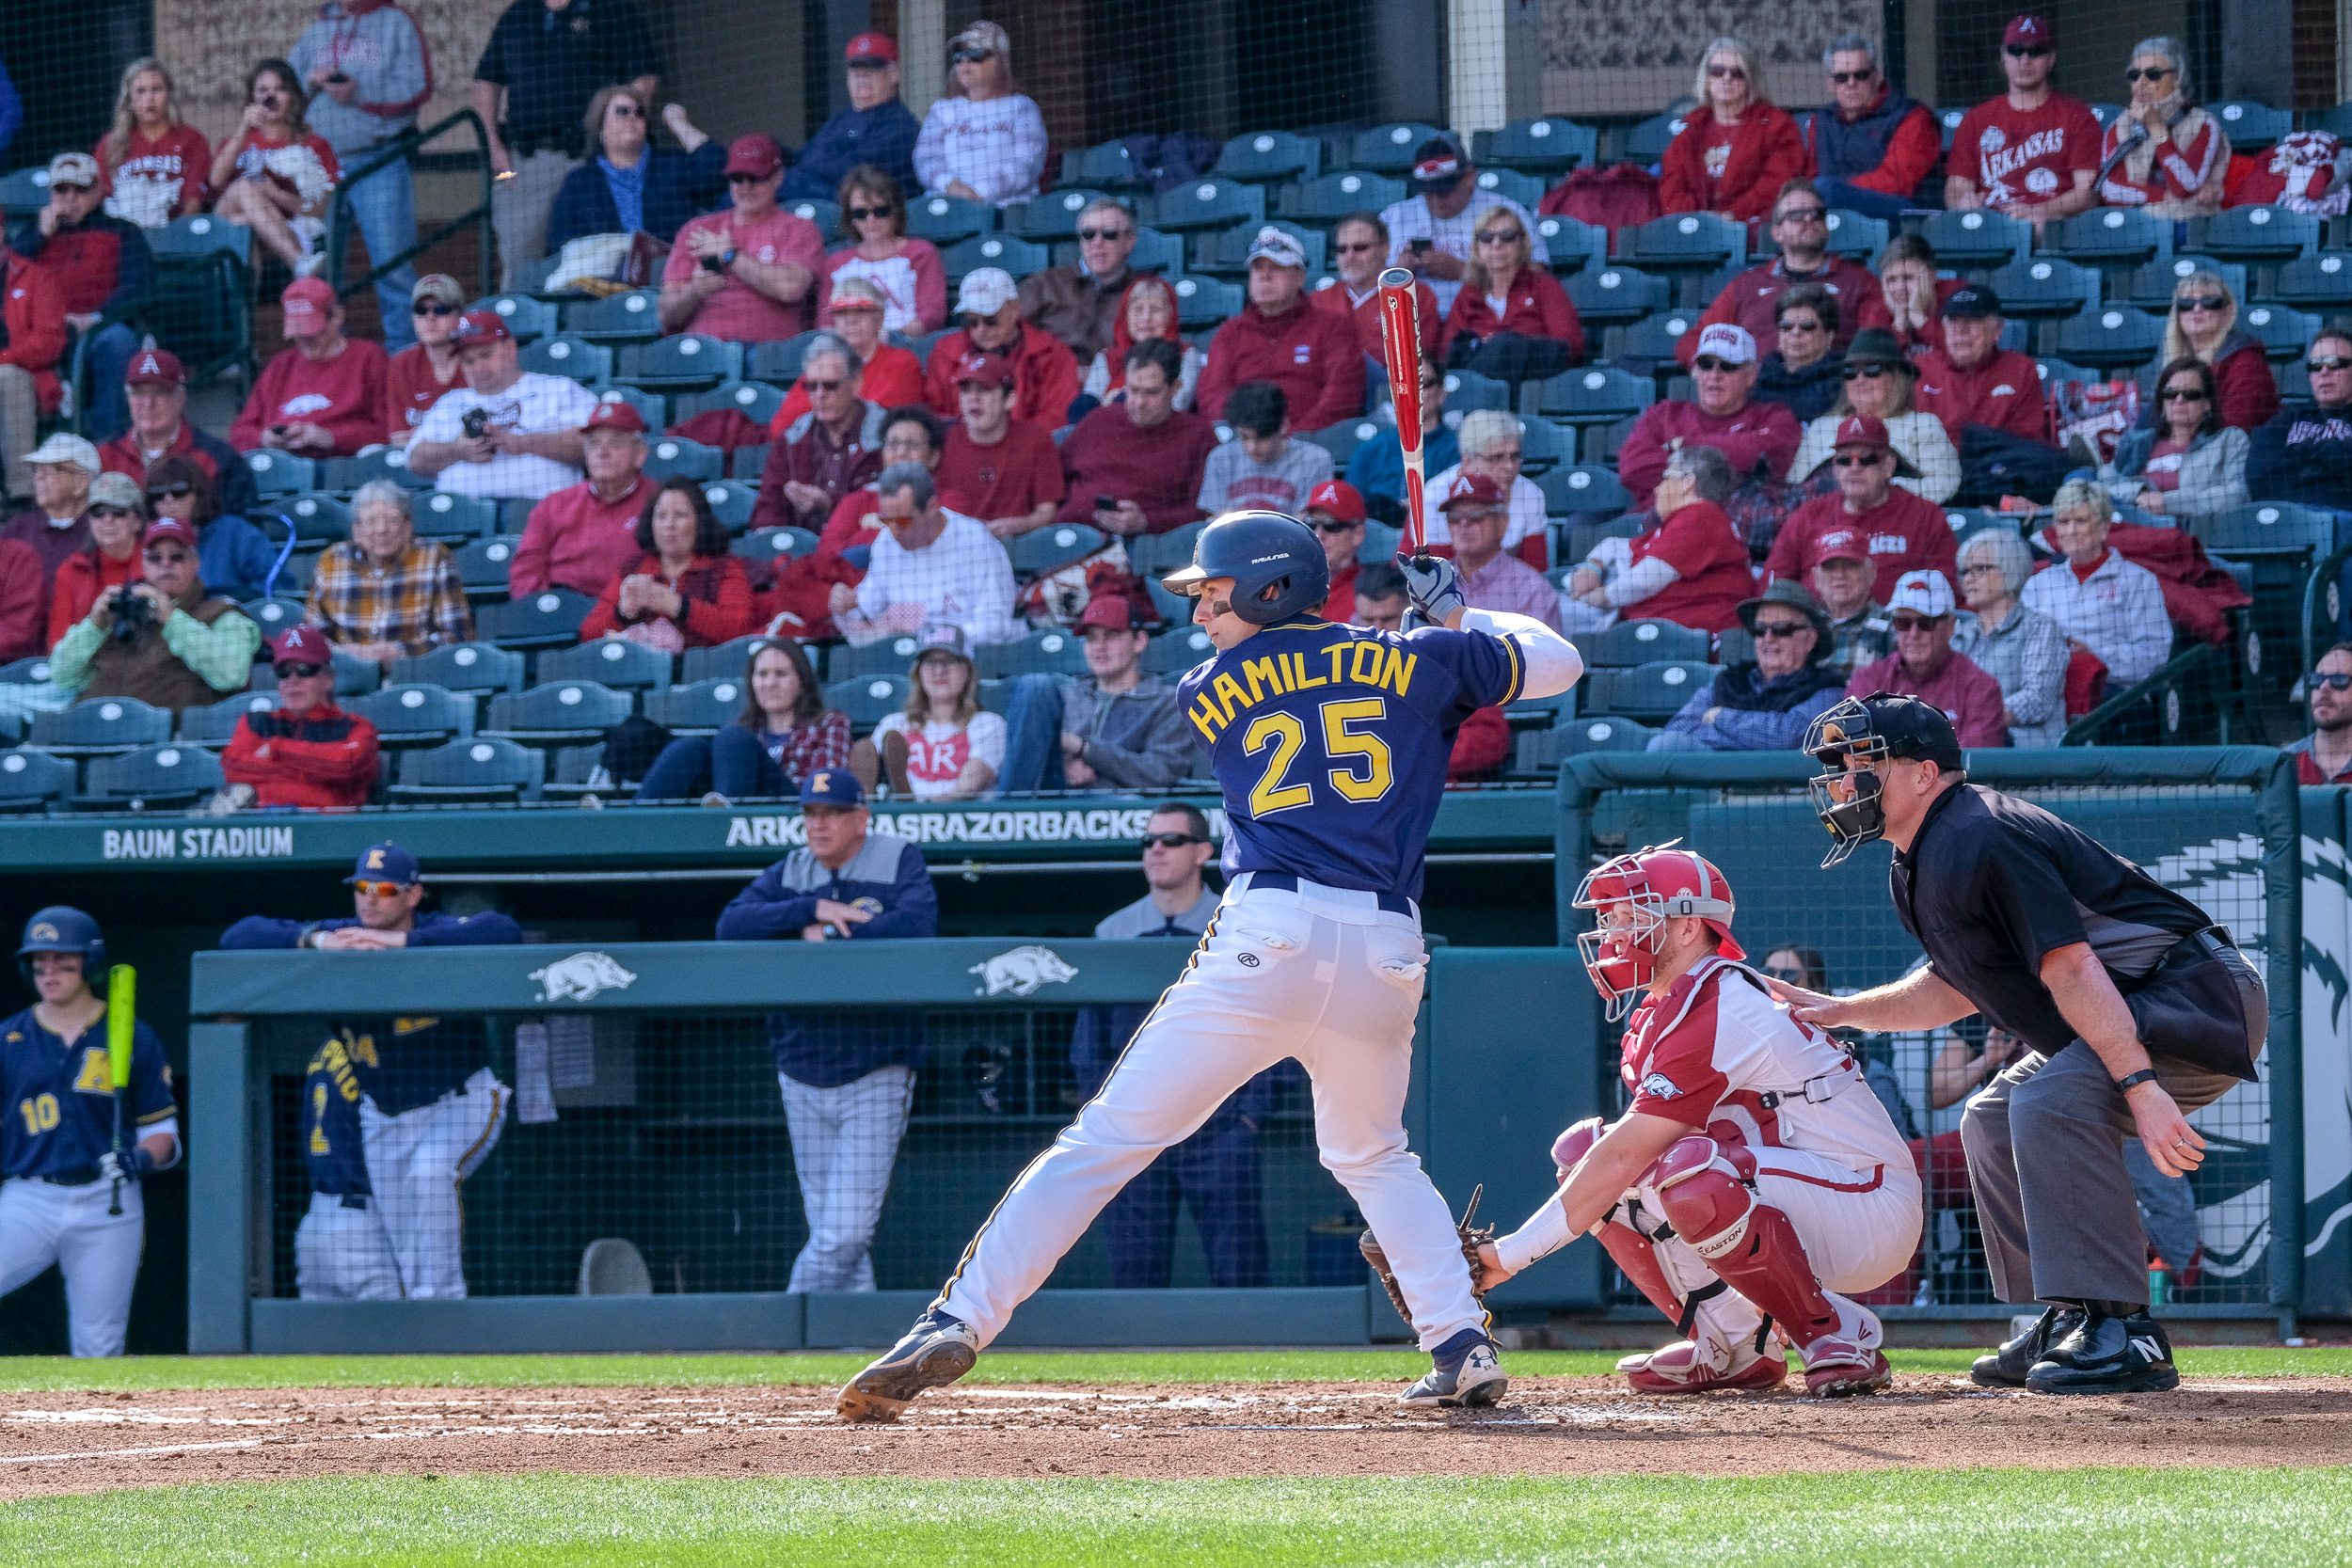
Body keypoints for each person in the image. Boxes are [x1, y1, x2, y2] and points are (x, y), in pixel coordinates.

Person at [836, 510, 1584, 1422]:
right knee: (1372, 1149)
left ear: (1271, 588)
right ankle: (1460, 1340)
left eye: (1214, 589)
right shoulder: (1421, 656)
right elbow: (1557, 663)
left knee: (1110, 1136)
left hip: (1268, 930)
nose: (1198, 609)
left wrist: (1426, 636)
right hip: (1387, 946)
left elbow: (1308, 677)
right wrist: (1458, 617)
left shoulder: (1210, 682)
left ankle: (959, 1314)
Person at [1789, 692, 2265, 1392]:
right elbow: (1953, 989)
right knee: (1989, 1118)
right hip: (2134, 1008)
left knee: (2047, 1101)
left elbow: (2071, 964)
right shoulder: (1918, 860)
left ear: (1924, 773)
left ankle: (2126, 1329)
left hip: (2196, 996)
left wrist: (2142, 1087)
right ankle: (2071, 1310)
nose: (1843, 780)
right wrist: (1839, 1011)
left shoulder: (1982, 831)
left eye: (1863, 761)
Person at [1471, 847, 1920, 1396]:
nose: (1611, 931)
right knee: (1583, 1151)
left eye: (1630, 915)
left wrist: (1508, 1256)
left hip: (1869, 1203)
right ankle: (1731, 1344)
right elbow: (1614, 1161)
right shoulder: (1670, 1006)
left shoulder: (1722, 1001)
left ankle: (1833, 1334)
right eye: (1609, 916)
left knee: (1680, 1170)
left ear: (1687, 928)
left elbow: (1624, 1158)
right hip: (1799, 1190)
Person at [220, 843, 522, 1300]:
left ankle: (444, 1310)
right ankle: (420, 1337)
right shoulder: (343, 933)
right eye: (362, 888)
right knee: (402, 1241)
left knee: (430, 1172)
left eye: (384, 889)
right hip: (383, 1115)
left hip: (460, 1099)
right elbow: (238, 935)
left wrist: (401, 943)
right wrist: (314, 939)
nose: (369, 899)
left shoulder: (434, 930)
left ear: (413, 896)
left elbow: (503, 931)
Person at [718, 769, 939, 1291]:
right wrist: (808, 909)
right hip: (799, 1064)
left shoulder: (897, 857)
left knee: (845, 1231)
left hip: (876, 1065)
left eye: (833, 812)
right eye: (811, 814)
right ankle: (846, 1342)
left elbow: (915, 925)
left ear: (861, 818)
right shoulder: (792, 871)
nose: (819, 825)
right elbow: (731, 924)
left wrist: (836, 941)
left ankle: (791, 1321)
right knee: (832, 1229)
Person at [1072, 802, 1279, 1288]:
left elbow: (1273, 1023)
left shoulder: (1237, 923)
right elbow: (1088, 1044)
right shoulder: (1113, 931)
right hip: (1135, 1128)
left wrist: (1249, 1116)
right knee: (1134, 1273)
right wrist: (1102, 1114)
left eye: (1172, 840)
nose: (1157, 850)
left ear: (1204, 851)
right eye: (1149, 842)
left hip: (1220, 1127)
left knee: (1240, 1270)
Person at [0, 908, 179, 1357]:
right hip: (29, 1196)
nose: (50, 971)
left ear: (90, 964)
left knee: (99, 1342)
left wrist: (137, 1160)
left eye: (64, 960)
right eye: (40, 961)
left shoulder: (134, 1037)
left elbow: (165, 1135)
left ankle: (93, 1431)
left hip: (108, 1199)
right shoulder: (9, 1039)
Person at [472, 0, 661, 287]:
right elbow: (487, 81)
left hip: (590, 161)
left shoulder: (612, 9)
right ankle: (521, 330)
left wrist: (618, 134)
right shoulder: (517, 14)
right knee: (519, 266)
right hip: (521, 165)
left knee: (598, 259)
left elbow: (644, 77)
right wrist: (494, 146)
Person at [288, 0, 433, 351]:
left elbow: (419, 86)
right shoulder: (318, 28)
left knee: (392, 266)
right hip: (321, 167)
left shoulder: (397, 21)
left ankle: (404, 357)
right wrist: (308, 81)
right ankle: (328, 358)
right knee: (323, 270)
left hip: (377, 158)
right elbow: (283, 88)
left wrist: (360, 93)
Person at [764, 406, 949, 640]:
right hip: (853, 593)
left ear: (934, 457)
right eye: (892, 445)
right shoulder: (857, 501)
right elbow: (829, 556)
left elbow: (928, 548)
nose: (901, 453)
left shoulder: (946, 501)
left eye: (912, 446)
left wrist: (865, 539)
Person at [50, 515, 257, 710]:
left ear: (196, 563)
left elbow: (232, 674)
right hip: (93, 733)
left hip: (168, 740)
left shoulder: (221, 612)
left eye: (177, 556)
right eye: (155, 558)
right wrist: (94, 626)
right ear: (144, 565)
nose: (165, 564)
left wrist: (172, 620)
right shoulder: (120, 610)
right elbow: (61, 676)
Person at [8, 151, 147, 441]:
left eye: (80, 189)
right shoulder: (31, 236)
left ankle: (106, 445)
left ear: (98, 190)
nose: (70, 197)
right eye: (61, 189)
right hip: (39, 333)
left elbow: (138, 286)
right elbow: (6, 277)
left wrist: (94, 318)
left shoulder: (124, 231)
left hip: (96, 329)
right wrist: (40, 234)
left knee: (119, 340)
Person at [993, 595, 1190, 794]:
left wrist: (1084, 749)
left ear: (1139, 641)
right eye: (1091, 638)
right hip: (1057, 795)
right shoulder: (1064, 697)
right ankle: (1008, 813)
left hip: (1122, 807)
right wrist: (1065, 765)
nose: (1099, 647)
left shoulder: (1166, 701)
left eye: (1111, 636)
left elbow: (1161, 773)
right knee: (1034, 686)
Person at [1346, 559, 1513, 782]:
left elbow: (1490, 740)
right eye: (1367, 620)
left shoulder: (1450, 658)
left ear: (1410, 613)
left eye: (1387, 619)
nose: (1377, 630)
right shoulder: (1341, 667)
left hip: (1443, 798)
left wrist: (1407, 755)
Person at [1560, 442, 1752, 634]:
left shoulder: (1701, 515)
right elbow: (1616, 545)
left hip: (1687, 635)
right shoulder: (1682, 522)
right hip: (1654, 631)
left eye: (1665, 478)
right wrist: (1592, 566)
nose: (1657, 489)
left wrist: (1595, 598)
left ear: (1688, 483)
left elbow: (1645, 580)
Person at [406, 310, 598, 499]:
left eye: (485, 355)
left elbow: (600, 444)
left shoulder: (557, 389)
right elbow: (414, 460)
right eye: (469, 361)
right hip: (465, 517)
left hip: (544, 512)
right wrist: (457, 449)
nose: (478, 368)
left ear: (510, 349)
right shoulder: (450, 402)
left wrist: (522, 443)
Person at [1679, 182, 1878, 362]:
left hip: (1829, 392)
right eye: (1796, 215)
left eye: (1817, 214)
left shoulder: (1859, 281)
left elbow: (1879, 342)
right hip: (1759, 392)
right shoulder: (1747, 285)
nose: (1809, 219)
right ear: (1776, 233)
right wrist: (1713, 369)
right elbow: (1694, 341)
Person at [632, 638, 850, 801]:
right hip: (742, 799)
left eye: (781, 674)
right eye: (762, 674)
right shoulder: (747, 729)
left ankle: (727, 819)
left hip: (793, 810)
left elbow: (826, 787)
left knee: (733, 738)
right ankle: (632, 824)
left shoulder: (829, 723)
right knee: (691, 748)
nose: (770, 683)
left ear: (802, 680)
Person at [830, 461, 1017, 647]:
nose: (895, 532)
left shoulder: (976, 541)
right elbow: (868, 612)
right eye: (886, 520)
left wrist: (933, 640)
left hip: (967, 660)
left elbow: (996, 624)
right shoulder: (885, 543)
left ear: (932, 507)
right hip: (904, 658)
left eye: (903, 521)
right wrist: (845, 606)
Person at [1768, 415, 1958, 597]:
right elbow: (1774, 584)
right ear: (1835, 468)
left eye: (1867, 459)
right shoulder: (1808, 515)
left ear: (1889, 466)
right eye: (1844, 460)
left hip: (1899, 627)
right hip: (1818, 627)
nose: (1854, 468)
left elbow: (1948, 587)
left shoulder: (1925, 516)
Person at [657, 135, 821, 341]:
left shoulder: (799, 228)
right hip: (702, 349)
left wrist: (731, 255)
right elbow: (665, 315)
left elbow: (789, 289)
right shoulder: (697, 229)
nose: (745, 187)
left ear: (777, 177)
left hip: (766, 353)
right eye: (737, 178)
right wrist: (695, 291)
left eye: (755, 178)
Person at [1198, 229, 1362, 432]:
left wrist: (1296, 438)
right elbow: (1212, 393)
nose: (1265, 276)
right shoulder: (1231, 333)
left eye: (1276, 267)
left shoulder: (1333, 328)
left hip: (1309, 445)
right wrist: (1246, 436)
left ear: (1300, 277)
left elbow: (1342, 396)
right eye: (1258, 268)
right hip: (1243, 445)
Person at [1614, 325, 1802, 501]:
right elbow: (1632, 469)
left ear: (1751, 375)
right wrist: (1722, 468)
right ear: (1695, 371)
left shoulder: (1774, 416)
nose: (1714, 374)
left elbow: (1768, 460)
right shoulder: (1663, 414)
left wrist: (1682, 446)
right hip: (1657, 523)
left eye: (1727, 366)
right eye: (1706, 364)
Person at [1651, 578, 1844, 751]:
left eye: (1781, 629)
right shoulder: (1728, 680)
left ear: (1809, 639)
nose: (1768, 639)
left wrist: (1719, 717)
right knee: (1668, 744)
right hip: (1715, 785)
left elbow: (1790, 736)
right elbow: (1678, 726)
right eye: (1760, 629)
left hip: (1786, 789)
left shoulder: (1829, 688)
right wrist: (1753, 741)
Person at [1946, 16, 2100, 228]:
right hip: (1989, 222)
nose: (2025, 60)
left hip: (2051, 223)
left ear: (2051, 59)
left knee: (2037, 225)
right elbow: (1956, 187)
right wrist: (1964, 202)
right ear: (2003, 56)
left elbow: (2087, 194)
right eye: (2016, 50)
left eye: (2036, 52)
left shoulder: (2077, 115)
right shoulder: (1976, 119)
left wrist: (2037, 210)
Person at [2020, 481, 2171, 689]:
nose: (2071, 531)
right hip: (2047, 689)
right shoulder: (2038, 585)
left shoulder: (2139, 581)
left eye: (2081, 521)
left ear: (2104, 527)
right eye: (2063, 522)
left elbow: (2154, 656)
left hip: (2114, 694)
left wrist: (2094, 654)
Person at [1056, 339, 1216, 536]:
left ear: (1175, 388)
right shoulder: (1098, 420)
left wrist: (1147, 522)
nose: (1139, 402)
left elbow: (1205, 513)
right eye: (1133, 390)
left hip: (1144, 548)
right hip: (1067, 537)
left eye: (1151, 392)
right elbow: (1052, 481)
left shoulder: (1199, 435)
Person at [1787, 327, 1961, 504]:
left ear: (1896, 378)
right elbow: (1794, 486)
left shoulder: (1923, 425)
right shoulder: (1821, 427)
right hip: (1827, 522)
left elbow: (1946, 483)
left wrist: (1884, 491)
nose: (1859, 379)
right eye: (1850, 373)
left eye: (1872, 370)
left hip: (1895, 519)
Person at [577, 475, 754, 648]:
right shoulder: (632, 570)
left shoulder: (724, 567)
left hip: (702, 670)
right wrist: (622, 613)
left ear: (700, 522)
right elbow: (588, 634)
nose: (669, 524)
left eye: (680, 515)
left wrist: (676, 605)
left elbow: (739, 628)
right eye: (661, 516)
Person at [305, 480, 471, 662]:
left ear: (408, 527)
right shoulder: (332, 561)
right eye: (370, 521)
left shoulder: (435, 557)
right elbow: (312, 636)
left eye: (392, 519)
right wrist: (346, 654)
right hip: (346, 674)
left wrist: (401, 651)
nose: (381, 529)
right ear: (357, 531)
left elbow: (459, 637)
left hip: (413, 672)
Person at [291, 1019, 400, 1300]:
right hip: (360, 1225)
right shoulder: (368, 1054)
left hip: (314, 1224)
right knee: (393, 1339)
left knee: (316, 1342)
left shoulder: (324, 1050)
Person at [545, 84, 723, 253]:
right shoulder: (579, 183)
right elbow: (561, 242)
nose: (632, 117)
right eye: (622, 111)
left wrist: (679, 124)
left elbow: (718, 171)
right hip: (605, 280)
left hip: (672, 275)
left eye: (640, 112)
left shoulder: (673, 164)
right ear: (600, 127)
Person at [219, 624, 379, 810]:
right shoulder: (254, 722)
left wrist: (276, 750)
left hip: (327, 830)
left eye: (304, 669)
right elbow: (233, 767)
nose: (292, 680)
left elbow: (345, 766)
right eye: (283, 672)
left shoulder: (357, 727)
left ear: (329, 679)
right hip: (266, 830)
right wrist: (315, 775)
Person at [1842, 569, 2010, 748]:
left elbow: (1975, 765)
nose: (1914, 634)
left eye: (1926, 623)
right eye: (1903, 623)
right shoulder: (1867, 680)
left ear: (1950, 627)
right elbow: (1856, 752)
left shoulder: (1980, 687)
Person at [229, 278, 390, 458]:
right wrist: (264, 438)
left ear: (337, 317)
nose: (305, 338)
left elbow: (389, 430)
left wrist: (330, 437)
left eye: (312, 329)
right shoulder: (279, 366)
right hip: (284, 466)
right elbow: (239, 432)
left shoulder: (369, 358)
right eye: (298, 330)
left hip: (342, 466)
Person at [209, 60, 342, 277]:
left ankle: (245, 311)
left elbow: (325, 211)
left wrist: (276, 195)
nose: (271, 96)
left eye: (280, 89)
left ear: (293, 96)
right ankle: (299, 261)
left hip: (283, 230)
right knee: (244, 187)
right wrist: (244, 128)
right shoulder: (234, 141)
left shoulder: (314, 144)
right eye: (263, 90)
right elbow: (215, 180)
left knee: (242, 225)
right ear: (252, 98)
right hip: (223, 221)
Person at [1659, 37, 1809, 226]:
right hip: (1694, 227)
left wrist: (1733, 215)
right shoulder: (1691, 126)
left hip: (1751, 226)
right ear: (1706, 80)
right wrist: (1696, 220)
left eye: (1737, 72)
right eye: (1717, 71)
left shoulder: (1778, 125)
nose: (1726, 78)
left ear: (1750, 80)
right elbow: (1673, 183)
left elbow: (1776, 183)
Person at [510, 399, 651, 598]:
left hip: (631, 613)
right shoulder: (553, 505)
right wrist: (543, 611)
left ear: (640, 454)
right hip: (563, 612)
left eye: (616, 442)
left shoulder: (660, 503)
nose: (602, 452)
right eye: (594, 443)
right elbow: (526, 572)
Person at [100, 345, 259, 517]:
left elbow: (234, 533)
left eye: (160, 393)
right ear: (128, 398)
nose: (148, 404)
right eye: (139, 393)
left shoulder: (221, 459)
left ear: (181, 398)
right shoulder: (104, 457)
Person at [753, 333, 887, 532]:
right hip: (800, 554)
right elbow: (766, 514)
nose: (820, 395)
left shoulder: (887, 435)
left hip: (862, 548)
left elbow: (892, 508)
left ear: (856, 383)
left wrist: (829, 504)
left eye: (830, 385)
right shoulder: (791, 440)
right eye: (812, 386)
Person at [851, 627, 1004, 799]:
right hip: (897, 821)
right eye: (930, 662)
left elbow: (973, 783)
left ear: (967, 671)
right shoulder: (893, 724)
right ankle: (894, 801)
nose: (939, 670)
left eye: (950, 660)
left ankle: (907, 802)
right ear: (919, 672)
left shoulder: (988, 724)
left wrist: (925, 810)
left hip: (960, 817)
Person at [1952, 528, 2070, 747]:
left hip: (2023, 754)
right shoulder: (1960, 634)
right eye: (1964, 572)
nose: (1968, 579)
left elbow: (2037, 700)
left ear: (2011, 570)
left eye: (1981, 569)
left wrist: (1976, 717)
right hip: (1962, 746)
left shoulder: (2041, 628)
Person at [1378, 133, 1548, 284]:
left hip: (1483, 316)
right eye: (1428, 191)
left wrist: (1464, 272)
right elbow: (1359, 284)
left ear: (1469, 177)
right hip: (1411, 316)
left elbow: (1538, 275)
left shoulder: (1506, 213)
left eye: (1444, 190)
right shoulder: (1393, 217)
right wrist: (1397, 273)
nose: (1436, 199)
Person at [921, 268, 1079, 429]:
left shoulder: (1052, 353)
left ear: (1014, 309)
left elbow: (1058, 416)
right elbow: (933, 415)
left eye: (991, 320)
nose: (981, 329)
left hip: (1027, 449)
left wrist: (1000, 438)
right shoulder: (946, 352)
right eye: (972, 322)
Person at [1437, 205, 1580, 382]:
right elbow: (1447, 354)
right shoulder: (1468, 294)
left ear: (1523, 242)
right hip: (1479, 390)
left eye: (1507, 237)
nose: (1496, 244)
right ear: (1476, 246)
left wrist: (1516, 348)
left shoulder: (1544, 285)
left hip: (1532, 387)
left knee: (1507, 344)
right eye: (1486, 238)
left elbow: (1571, 346)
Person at [1807, 33, 1938, 222]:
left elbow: (1897, 182)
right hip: (1830, 210)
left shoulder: (1913, 116)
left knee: (1821, 190)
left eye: (1860, 75)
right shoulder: (1820, 120)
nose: (1851, 84)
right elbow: (1810, 175)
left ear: (1876, 76)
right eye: (1842, 77)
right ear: (1830, 83)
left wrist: (1834, 190)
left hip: (1900, 214)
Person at [913, 20, 1046, 205]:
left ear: (1001, 60)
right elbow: (926, 160)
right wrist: (951, 186)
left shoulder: (1021, 107)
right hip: (948, 207)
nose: (965, 62)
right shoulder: (941, 109)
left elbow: (1025, 164)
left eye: (976, 55)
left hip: (1005, 211)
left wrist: (980, 193)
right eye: (959, 56)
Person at [2095, 38, 2229, 219]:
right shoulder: (2119, 127)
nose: (2141, 83)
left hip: (2187, 223)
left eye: (2153, 74)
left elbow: (2185, 187)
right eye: (2135, 75)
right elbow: (2110, 190)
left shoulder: (2203, 124)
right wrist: (2162, 197)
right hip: (2134, 224)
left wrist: (2158, 129)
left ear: (2178, 78)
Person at [2101, 356, 2248, 520]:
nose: (2179, 400)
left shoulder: (2229, 440)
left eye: (2190, 394)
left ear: (2207, 403)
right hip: (2136, 526)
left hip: (2192, 531)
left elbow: (2236, 495)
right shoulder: (2140, 441)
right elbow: (2103, 486)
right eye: (2170, 394)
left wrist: (2167, 502)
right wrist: (2139, 493)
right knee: (2082, 477)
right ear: (2162, 401)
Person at [937, 351, 1063, 539]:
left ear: (1010, 399)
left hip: (1018, 544)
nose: (973, 398)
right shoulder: (943, 440)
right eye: (966, 390)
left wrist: (1018, 526)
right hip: (956, 546)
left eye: (985, 389)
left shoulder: (1036, 440)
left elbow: (1047, 511)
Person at [773, 277, 925, 432]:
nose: (851, 320)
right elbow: (781, 426)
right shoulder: (822, 366)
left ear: (879, 319)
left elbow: (881, 423)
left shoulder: (902, 363)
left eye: (861, 311)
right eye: (842, 312)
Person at [787, 32, 921, 203]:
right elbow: (801, 156)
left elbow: (852, 170)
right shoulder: (841, 119)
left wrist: (796, 172)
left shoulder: (900, 124)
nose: (861, 80)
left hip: (862, 211)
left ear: (894, 74)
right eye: (855, 72)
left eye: (870, 71)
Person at [819, 166, 946, 336]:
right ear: (850, 218)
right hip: (851, 353)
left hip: (905, 347)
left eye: (881, 211)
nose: (871, 220)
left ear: (896, 210)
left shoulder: (921, 253)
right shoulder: (836, 262)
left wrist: (884, 339)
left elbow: (931, 317)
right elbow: (825, 323)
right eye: (860, 213)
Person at [1020, 196, 1146, 362]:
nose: (1097, 242)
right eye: (1088, 234)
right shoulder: (1045, 283)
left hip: (1113, 381)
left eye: (1109, 234)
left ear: (1129, 242)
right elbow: (1007, 330)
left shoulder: (1142, 291)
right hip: (1050, 379)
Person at [2153, 273, 2278, 434]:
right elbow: (2151, 420)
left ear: (2227, 312)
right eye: (2186, 303)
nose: (2197, 309)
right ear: (2177, 314)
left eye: (2209, 302)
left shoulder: (2246, 361)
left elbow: (2235, 430)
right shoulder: (2176, 362)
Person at [93, 57, 211, 227]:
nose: (149, 98)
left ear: (169, 94)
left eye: (157, 89)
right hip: (125, 237)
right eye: (141, 91)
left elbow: (194, 202)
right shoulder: (110, 145)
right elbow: (100, 200)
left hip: (175, 235)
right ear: (129, 100)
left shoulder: (191, 139)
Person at [1432, 473, 1559, 630]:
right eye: (1455, 516)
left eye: (1476, 515)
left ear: (1502, 523)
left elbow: (1544, 654)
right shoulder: (1434, 584)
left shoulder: (1531, 589)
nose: (1464, 523)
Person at [1347, 350, 1458, 528]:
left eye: (1423, 383)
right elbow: (1350, 508)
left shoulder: (1458, 451)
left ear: (1441, 394)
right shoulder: (1369, 450)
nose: (1414, 392)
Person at [1315, 212, 1438, 369]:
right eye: (1341, 249)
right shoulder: (1318, 300)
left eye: (1360, 248)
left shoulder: (1414, 295)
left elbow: (1416, 359)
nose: (1349, 256)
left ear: (1385, 249)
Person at [145, 452, 274, 603]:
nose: (168, 499)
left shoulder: (235, 532)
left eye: (178, 492)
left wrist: (232, 601)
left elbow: (274, 583)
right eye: (158, 495)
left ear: (198, 493)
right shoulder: (143, 537)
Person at [2248, 325, 2352, 507]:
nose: (2324, 373)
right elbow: (2259, 476)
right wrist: (2331, 457)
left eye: (2335, 364)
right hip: (2283, 514)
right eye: (2315, 365)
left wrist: (2298, 449)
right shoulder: (2286, 418)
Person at [1072, 277, 1200, 421]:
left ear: (1170, 315)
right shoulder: (1107, 359)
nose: (1146, 317)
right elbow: (1089, 409)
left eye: (1156, 309)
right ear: (1126, 316)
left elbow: (1178, 404)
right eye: (1138, 309)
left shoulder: (1186, 356)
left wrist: (1119, 401)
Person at [1196, 381, 1332, 516]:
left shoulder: (1315, 460)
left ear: (1283, 426)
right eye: (1244, 437)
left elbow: (1307, 525)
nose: (1252, 447)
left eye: (1262, 437)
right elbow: (1214, 520)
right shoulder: (1221, 458)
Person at [0, 247, 71, 503]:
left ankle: (22, 490)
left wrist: (4, 358)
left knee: (7, 376)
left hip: (28, 377)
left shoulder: (35, 277)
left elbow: (50, 339)